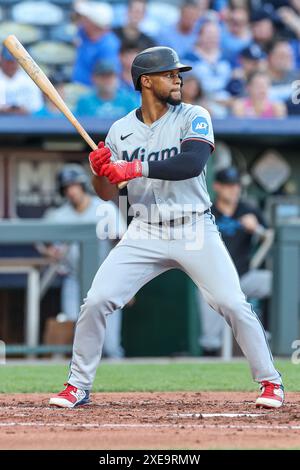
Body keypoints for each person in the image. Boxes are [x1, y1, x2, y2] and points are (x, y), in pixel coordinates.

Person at [49, 46, 284, 410]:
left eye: (179, 73)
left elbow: (191, 162)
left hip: (193, 227)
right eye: (170, 74)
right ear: (146, 81)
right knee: (96, 301)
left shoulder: (194, 115)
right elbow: (108, 192)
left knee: (232, 303)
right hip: (144, 230)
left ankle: (270, 382)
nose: (178, 79)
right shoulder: (120, 130)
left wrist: (134, 169)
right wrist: (99, 171)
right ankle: (78, 385)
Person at [40, 164, 126, 358]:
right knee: (76, 336)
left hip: (106, 280)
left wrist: (125, 280)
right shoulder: (58, 216)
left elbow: (121, 243)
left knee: (110, 345)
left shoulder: (105, 209)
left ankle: (119, 386)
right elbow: (44, 243)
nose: (71, 191)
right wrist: (50, 251)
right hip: (74, 280)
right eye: (67, 187)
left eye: (75, 185)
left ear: (83, 185)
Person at [198, 167, 272, 356]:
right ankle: (210, 349)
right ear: (217, 187)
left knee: (277, 283)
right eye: (229, 185)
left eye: (236, 185)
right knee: (206, 297)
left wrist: (257, 229)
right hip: (216, 280)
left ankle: (272, 332)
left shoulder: (248, 210)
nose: (234, 189)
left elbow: (270, 237)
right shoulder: (207, 211)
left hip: (245, 277)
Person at [72, 2, 120, 86]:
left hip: (92, 92)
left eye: (87, 19)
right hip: (76, 85)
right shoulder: (83, 33)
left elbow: (106, 79)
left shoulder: (109, 45)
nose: (84, 21)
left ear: (94, 24)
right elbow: (76, 13)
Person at [75, 60, 139, 119]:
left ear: (117, 78)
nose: (107, 80)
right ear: (93, 78)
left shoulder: (129, 99)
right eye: (103, 76)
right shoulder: (84, 101)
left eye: (110, 76)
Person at [0, 47, 43, 114]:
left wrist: (24, 110)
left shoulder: (29, 81)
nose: (10, 65)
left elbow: (36, 107)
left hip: (25, 121)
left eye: (13, 62)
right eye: (8, 61)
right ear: (1, 59)